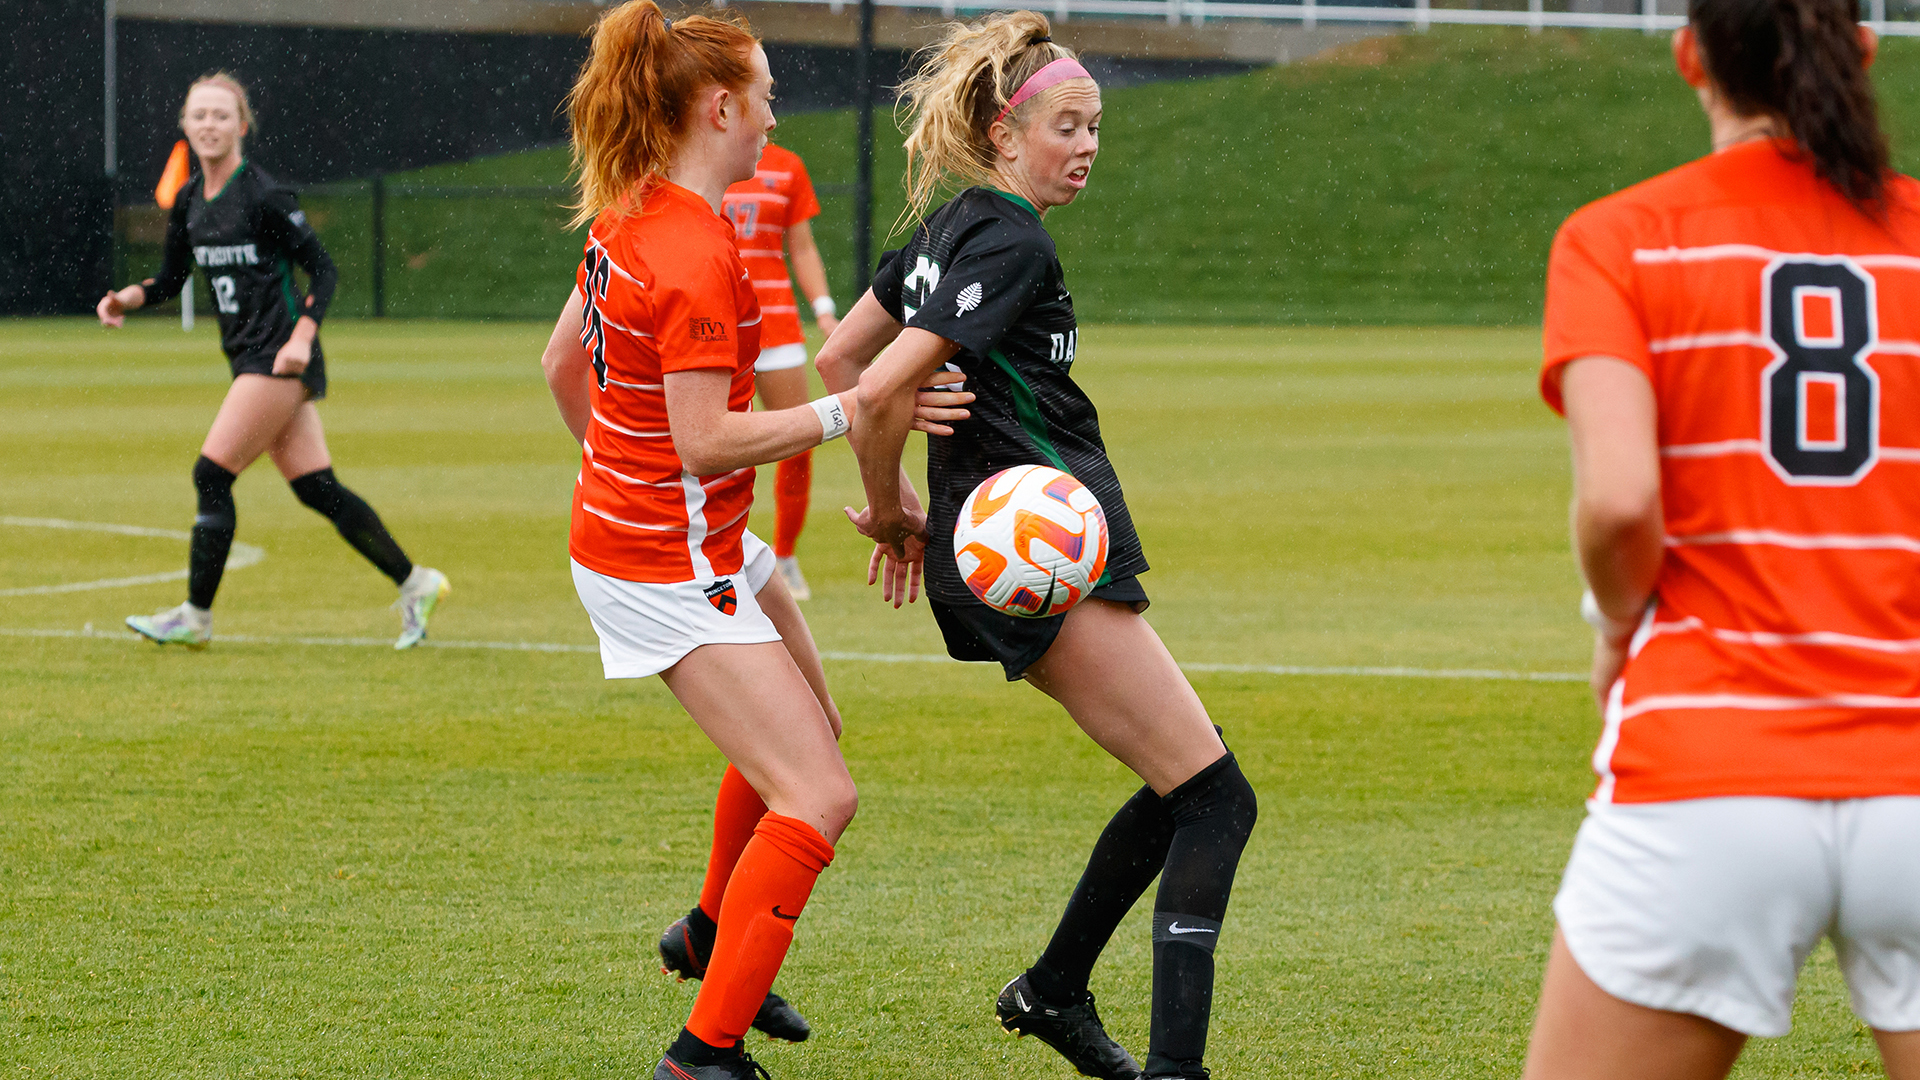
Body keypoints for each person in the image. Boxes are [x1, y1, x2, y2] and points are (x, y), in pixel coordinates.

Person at [814, 13, 1257, 1080]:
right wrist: (888, 507)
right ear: (1006, 134)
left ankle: (1054, 991)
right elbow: (871, 388)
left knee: (1178, 789)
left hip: (1011, 548)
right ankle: (1171, 1069)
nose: (1088, 145)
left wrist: (916, 488)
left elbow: (838, 358)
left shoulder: (945, 230)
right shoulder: (1008, 237)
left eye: (1097, 126)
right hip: (1041, 557)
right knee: (1213, 798)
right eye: (1068, 125)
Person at [1524, 1, 1920, 1076]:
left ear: (1690, 53)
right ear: (1865, 48)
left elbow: (1617, 505)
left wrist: (1617, 627)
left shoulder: (1618, 237)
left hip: (1708, 767)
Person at [540, 6, 874, 1076]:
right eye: (766, 93)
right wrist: (848, 413)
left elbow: (561, 369)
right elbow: (707, 443)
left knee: (810, 735)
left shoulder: (629, 212)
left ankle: (709, 936)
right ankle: (703, 1056)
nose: (775, 113)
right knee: (820, 795)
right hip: (669, 559)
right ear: (721, 106)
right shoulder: (693, 248)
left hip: (672, 539)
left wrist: (618, 473)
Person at [97, 71, 448, 651]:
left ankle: (194, 617)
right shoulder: (189, 199)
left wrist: (301, 337)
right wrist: (125, 299)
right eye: (199, 115)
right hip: (248, 359)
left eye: (220, 115)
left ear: (241, 125)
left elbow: (325, 269)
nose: (209, 124)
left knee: (211, 474)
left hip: (279, 360)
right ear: (185, 125)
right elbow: (171, 279)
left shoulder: (263, 195)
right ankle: (417, 582)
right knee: (317, 489)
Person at [722, 141, 838, 600]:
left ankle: (784, 557)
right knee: (721, 445)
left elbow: (802, 246)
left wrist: (824, 309)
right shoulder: (699, 154)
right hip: (714, 324)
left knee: (797, 441)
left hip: (776, 325)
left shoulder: (788, 165)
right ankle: (724, 554)